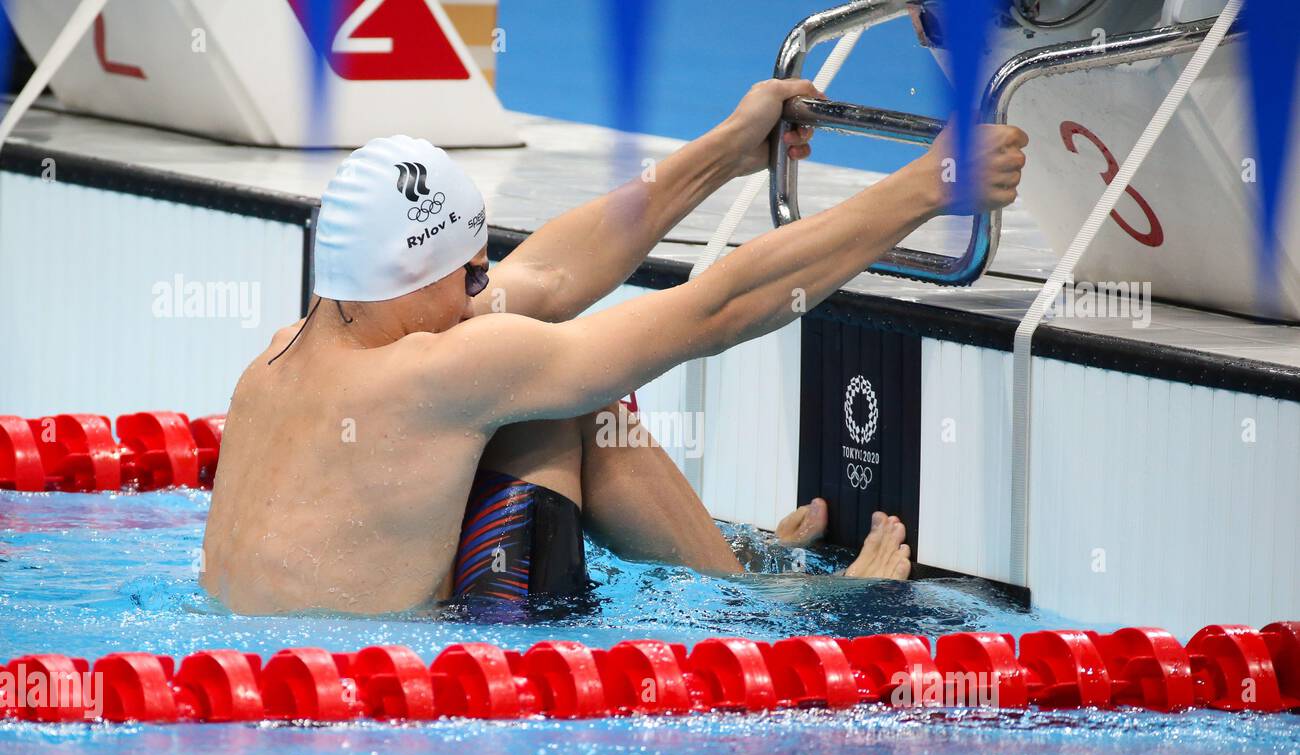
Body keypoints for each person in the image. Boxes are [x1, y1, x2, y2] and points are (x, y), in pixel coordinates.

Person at [200, 80, 1027, 614]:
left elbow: (552, 275)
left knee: (542, 363)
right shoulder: (440, 373)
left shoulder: (276, 362)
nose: (484, 294)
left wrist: (720, 155)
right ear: (415, 275)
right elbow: (717, 308)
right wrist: (929, 185)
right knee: (575, 398)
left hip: (253, 690)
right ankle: (764, 612)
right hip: (405, 718)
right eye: (474, 274)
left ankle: (736, 574)